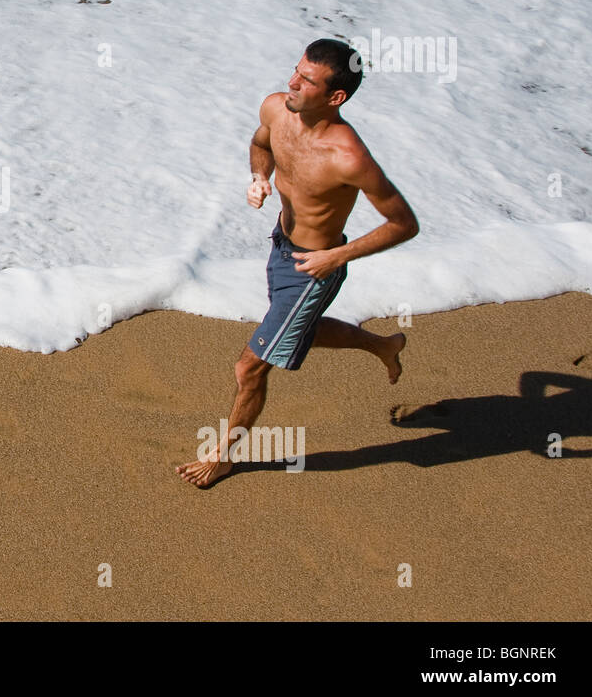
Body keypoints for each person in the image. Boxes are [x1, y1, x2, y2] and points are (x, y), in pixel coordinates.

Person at [176, 39, 419, 488]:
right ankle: (383, 346)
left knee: (250, 367)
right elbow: (259, 143)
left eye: (306, 80)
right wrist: (258, 177)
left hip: (313, 269)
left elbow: (404, 224)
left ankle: (224, 456)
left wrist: (336, 256)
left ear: (335, 97)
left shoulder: (348, 157)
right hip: (279, 246)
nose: (292, 83)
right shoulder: (276, 109)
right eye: (295, 70)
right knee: (292, 329)